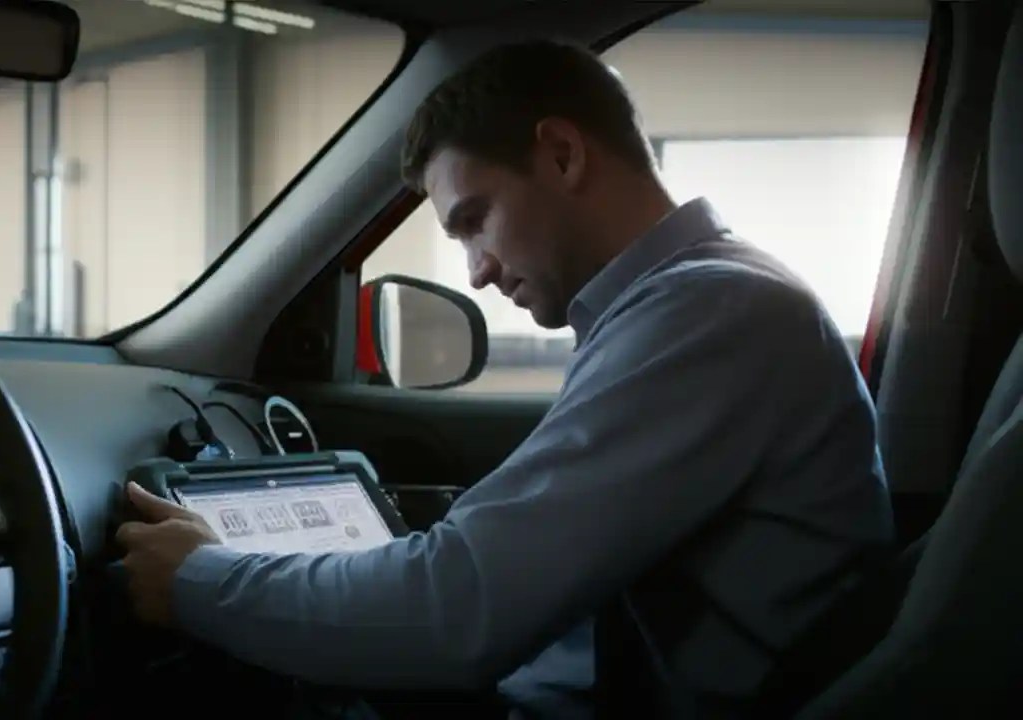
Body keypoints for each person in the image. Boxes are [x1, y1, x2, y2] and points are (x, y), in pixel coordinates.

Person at [115, 39, 894, 718]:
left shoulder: (714, 310)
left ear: (561, 153)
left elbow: (457, 613)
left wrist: (201, 581)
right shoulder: (696, 301)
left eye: (473, 219)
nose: (478, 272)